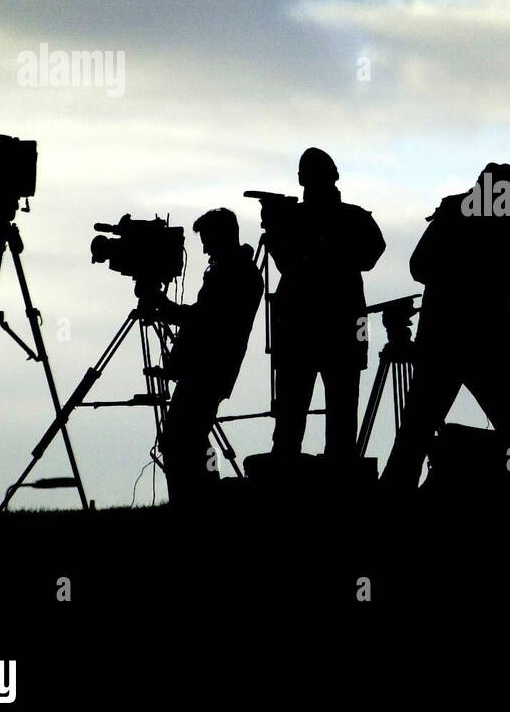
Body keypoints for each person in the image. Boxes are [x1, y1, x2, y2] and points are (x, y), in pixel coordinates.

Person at [380, 163, 510, 496]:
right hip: (486, 345)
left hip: (445, 342)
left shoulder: (455, 214)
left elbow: (419, 266)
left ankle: (392, 500)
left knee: (415, 435)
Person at [263, 148, 385, 461]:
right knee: (318, 409)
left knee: (302, 411)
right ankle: (331, 471)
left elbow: (287, 263)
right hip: (326, 326)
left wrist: (294, 238)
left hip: (317, 327)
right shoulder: (351, 217)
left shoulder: (340, 218)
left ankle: (301, 471)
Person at [159, 208, 263, 503]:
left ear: (223, 237)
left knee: (181, 438)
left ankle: (203, 492)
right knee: (191, 436)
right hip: (209, 368)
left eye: (208, 241)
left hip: (210, 369)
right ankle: (206, 490)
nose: (203, 249)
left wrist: (167, 309)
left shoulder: (236, 273)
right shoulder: (231, 270)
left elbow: (207, 319)